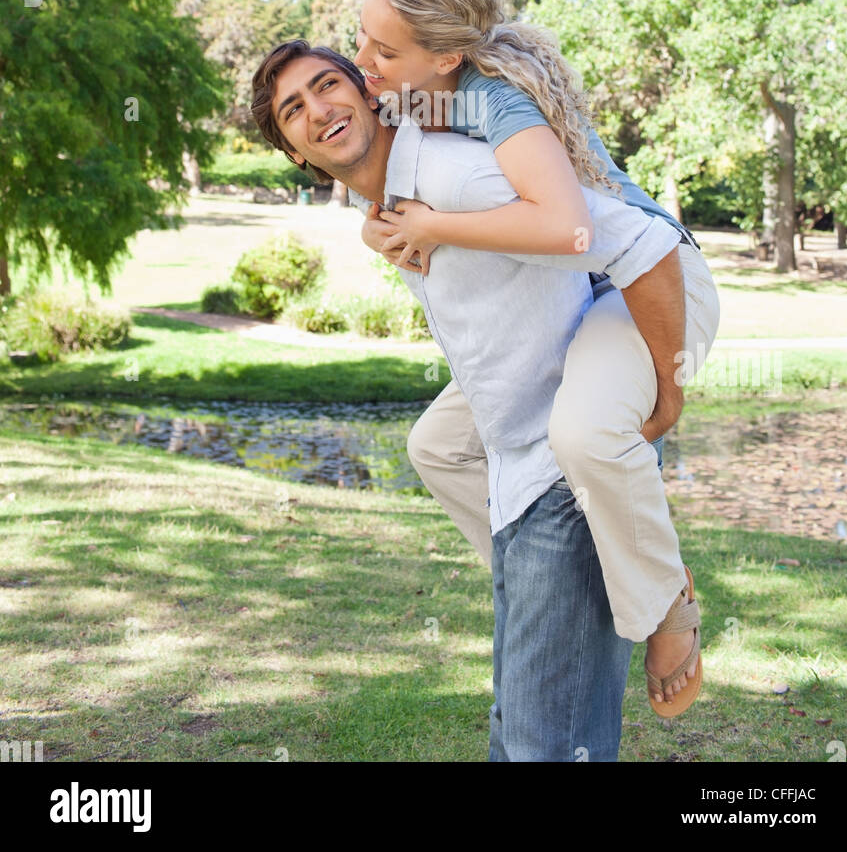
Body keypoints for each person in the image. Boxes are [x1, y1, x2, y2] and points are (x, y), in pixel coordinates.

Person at [250, 39, 712, 761]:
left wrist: (667, 389)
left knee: (539, 743)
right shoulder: (394, 200)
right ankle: (605, 558)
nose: (319, 109)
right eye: (294, 110)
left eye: (327, 84)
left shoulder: (457, 170)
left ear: (368, 91)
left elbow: (634, 244)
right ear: (296, 155)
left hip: (589, 398)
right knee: (434, 447)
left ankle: (641, 583)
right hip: (524, 430)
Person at [352, 0, 720, 713]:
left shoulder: (496, 98)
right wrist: (381, 228)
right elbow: (375, 172)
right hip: (586, 295)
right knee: (438, 447)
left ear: (445, 55)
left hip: (651, 282)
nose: (364, 65)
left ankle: (663, 605)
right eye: (362, 40)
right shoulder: (423, 96)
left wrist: (670, 383)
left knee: (585, 436)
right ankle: (545, 588)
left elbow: (569, 225)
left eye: (384, 52)